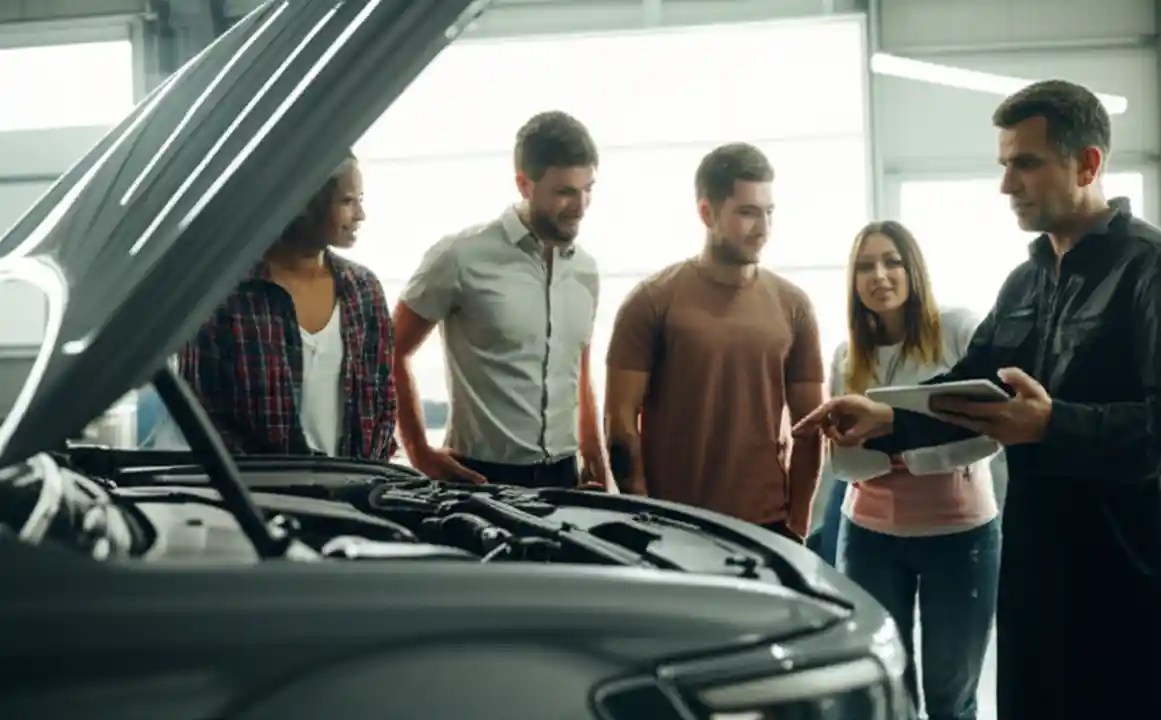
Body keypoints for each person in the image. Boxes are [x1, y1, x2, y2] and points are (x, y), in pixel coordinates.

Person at [794, 80, 1161, 720]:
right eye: (1004, 164)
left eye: (1026, 163)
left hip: (1135, 566)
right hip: (1037, 560)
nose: (1006, 185)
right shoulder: (1025, 282)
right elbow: (974, 386)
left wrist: (1054, 426)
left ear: (1087, 163)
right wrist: (887, 417)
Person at [605, 142, 825, 540]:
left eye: (768, 212)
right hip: (672, 525)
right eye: (747, 212)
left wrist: (798, 524)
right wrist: (642, 516)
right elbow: (619, 423)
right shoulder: (651, 301)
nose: (763, 228)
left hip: (767, 524)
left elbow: (811, 428)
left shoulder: (794, 306)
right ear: (706, 212)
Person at [829, 220, 1001, 720]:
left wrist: (901, 446)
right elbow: (846, 450)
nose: (878, 276)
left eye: (891, 262)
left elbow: (990, 427)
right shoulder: (846, 354)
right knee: (883, 688)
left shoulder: (958, 329)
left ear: (913, 270)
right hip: (868, 534)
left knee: (951, 697)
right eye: (865, 266)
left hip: (959, 534)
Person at [393, 110, 607, 489]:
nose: (581, 206)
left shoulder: (586, 271)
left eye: (588, 188)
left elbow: (579, 370)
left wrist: (594, 458)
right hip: (480, 477)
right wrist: (418, 451)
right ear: (524, 184)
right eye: (564, 192)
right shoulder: (460, 257)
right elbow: (390, 350)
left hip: (565, 479)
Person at [176, 150, 398, 460]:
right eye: (347, 201)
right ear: (304, 202)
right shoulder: (226, 295)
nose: (360, 214)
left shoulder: (363, 289)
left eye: (360, 199)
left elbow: (384, 400)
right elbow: (203, 413)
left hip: (355, 494)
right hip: (262, 496)